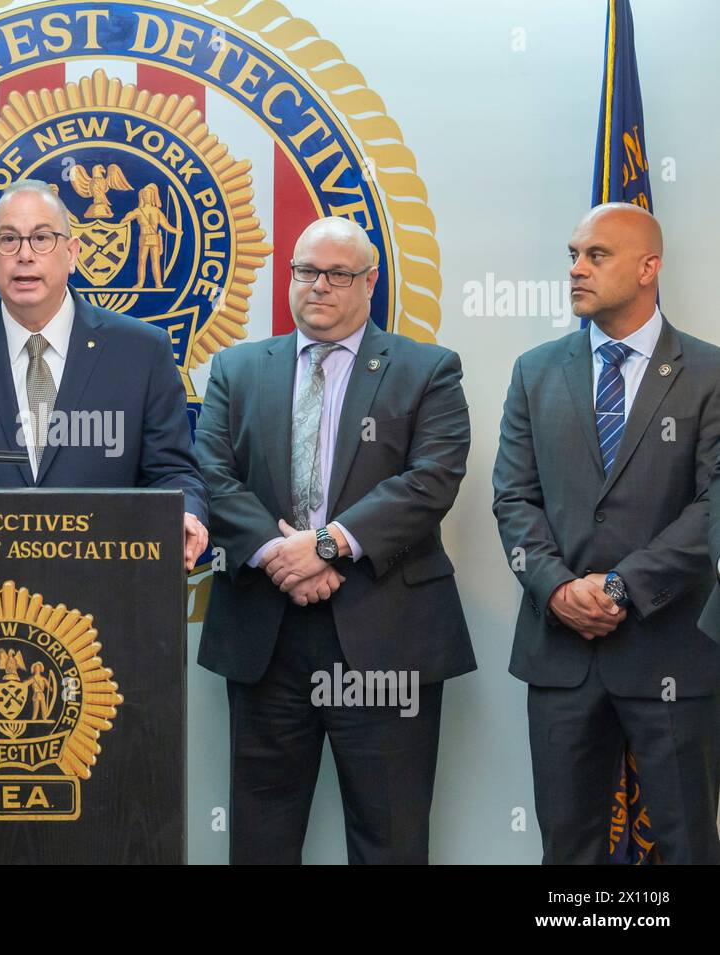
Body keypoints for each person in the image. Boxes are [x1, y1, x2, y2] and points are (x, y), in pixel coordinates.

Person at [194, 216, 475, 864]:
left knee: (391, 839)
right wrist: (278, 552)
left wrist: (328, 545)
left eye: (337, 273)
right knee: (260, 839)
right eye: (304, 271)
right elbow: (212, 474)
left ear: (369, 281)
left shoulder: (426, 369)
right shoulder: (237, 369)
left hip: (387, 631)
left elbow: (432, 479)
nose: (317, 285)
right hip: (267, 635)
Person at [493, 202, 720, 864]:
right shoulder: (535, 371)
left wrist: (624, 585)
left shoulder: (710, 375)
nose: (576, 269)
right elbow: (513, 496)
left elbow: (713, 505)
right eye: (572, 255)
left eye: (596, 255)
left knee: (688, 846)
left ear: (649, 267)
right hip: (561, 651)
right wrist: (558, 588)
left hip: (672, 648)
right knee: (569, 851)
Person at [0, 179, 208, 569]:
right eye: (9, 240)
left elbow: (173, 473)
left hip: (106, 590)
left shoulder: (141, 351)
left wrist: (185, 513)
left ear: (72, 253)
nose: (24, 255)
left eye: (41, 238)